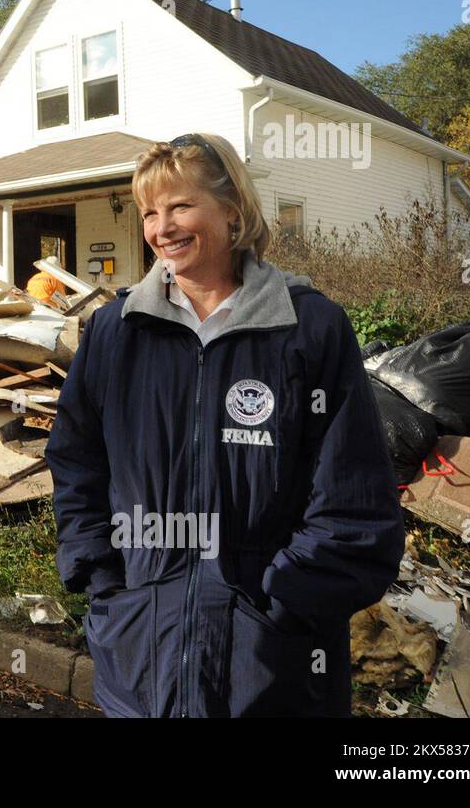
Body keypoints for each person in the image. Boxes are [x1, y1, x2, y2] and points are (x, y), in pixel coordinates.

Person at [46, 132, 403, 717]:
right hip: (140, 650)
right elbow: (76, 460)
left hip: (272, 665)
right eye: (149, 213)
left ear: (233, 210)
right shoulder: (115, 332)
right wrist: (102, 577)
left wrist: (281, 601)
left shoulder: (310, 328)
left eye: (181, 206)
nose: (162, 228)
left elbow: (354, 500)